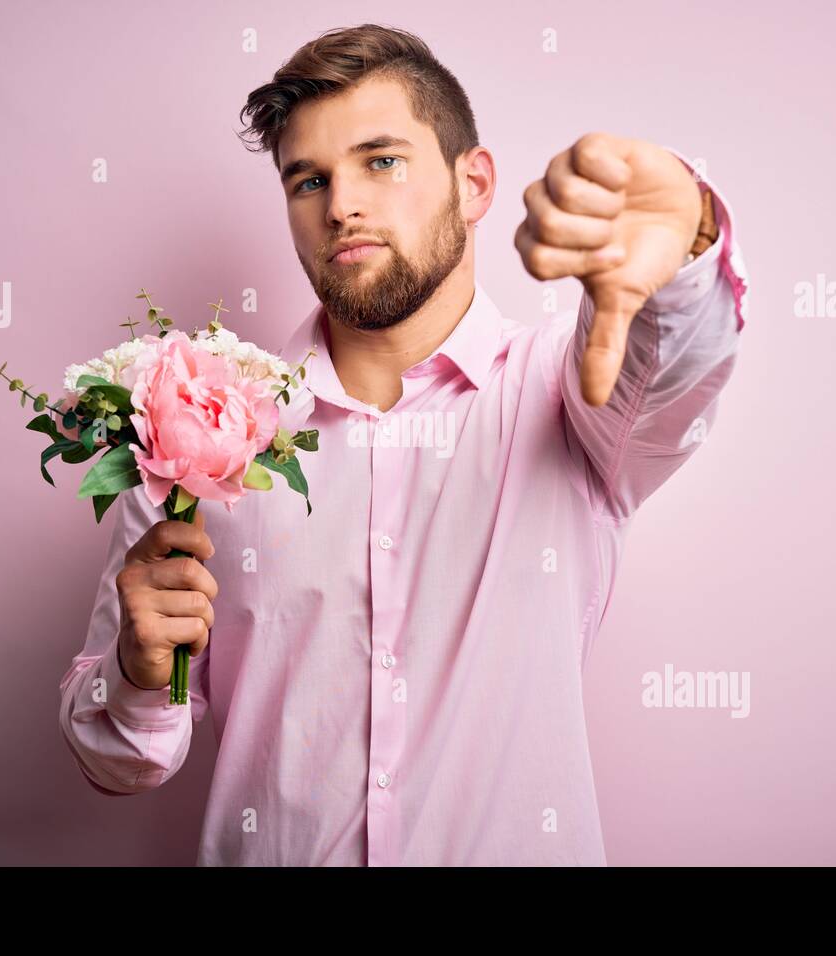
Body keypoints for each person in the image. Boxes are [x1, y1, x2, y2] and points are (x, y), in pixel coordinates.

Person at [58, 23, 749, 865]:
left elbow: (675, 367)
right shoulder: (200, 442)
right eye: (308, 179)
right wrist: (133, 672)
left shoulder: (568, 400)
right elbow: (122, 761)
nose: (341, 204)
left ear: (474, 183)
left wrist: (688, 242)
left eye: (381, 161)